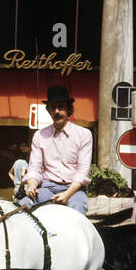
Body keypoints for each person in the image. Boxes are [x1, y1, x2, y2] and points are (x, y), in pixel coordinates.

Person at [20, 84, 92, 213]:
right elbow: (34, 167)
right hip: (47, 188)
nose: (57, 111)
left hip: (74, 188)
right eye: (53, 107)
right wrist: (31, 185)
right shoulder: (39, 135)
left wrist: (67, 194)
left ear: (68, 109)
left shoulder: (84, 134)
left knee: (77, 210)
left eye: (61, 107)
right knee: (22, 206)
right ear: (48, 110)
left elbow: (83, 171)